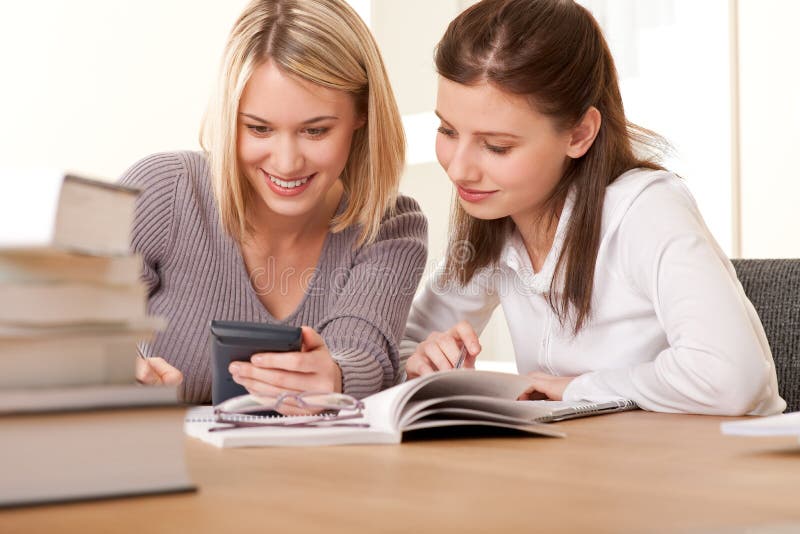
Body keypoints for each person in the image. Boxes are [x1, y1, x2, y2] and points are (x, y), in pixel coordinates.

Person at [402, 0, 785, 415]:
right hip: (595, 453)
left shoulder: (645, 210)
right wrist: (422, 360)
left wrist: (577, 388)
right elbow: (403, 344)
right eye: (447, 130)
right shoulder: (498, 218)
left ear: (579, 134)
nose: (458, 168)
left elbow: (732, 378)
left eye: (497, 146)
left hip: (719, 453)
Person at [122, 0, 427, 404]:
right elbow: (61, 326)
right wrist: (104, 368)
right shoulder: (163, 192)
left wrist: (335, 377)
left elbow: (365, 354)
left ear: (362, 114)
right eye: (259, 129)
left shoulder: (388, 226)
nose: (286, 163)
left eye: (315, 131)